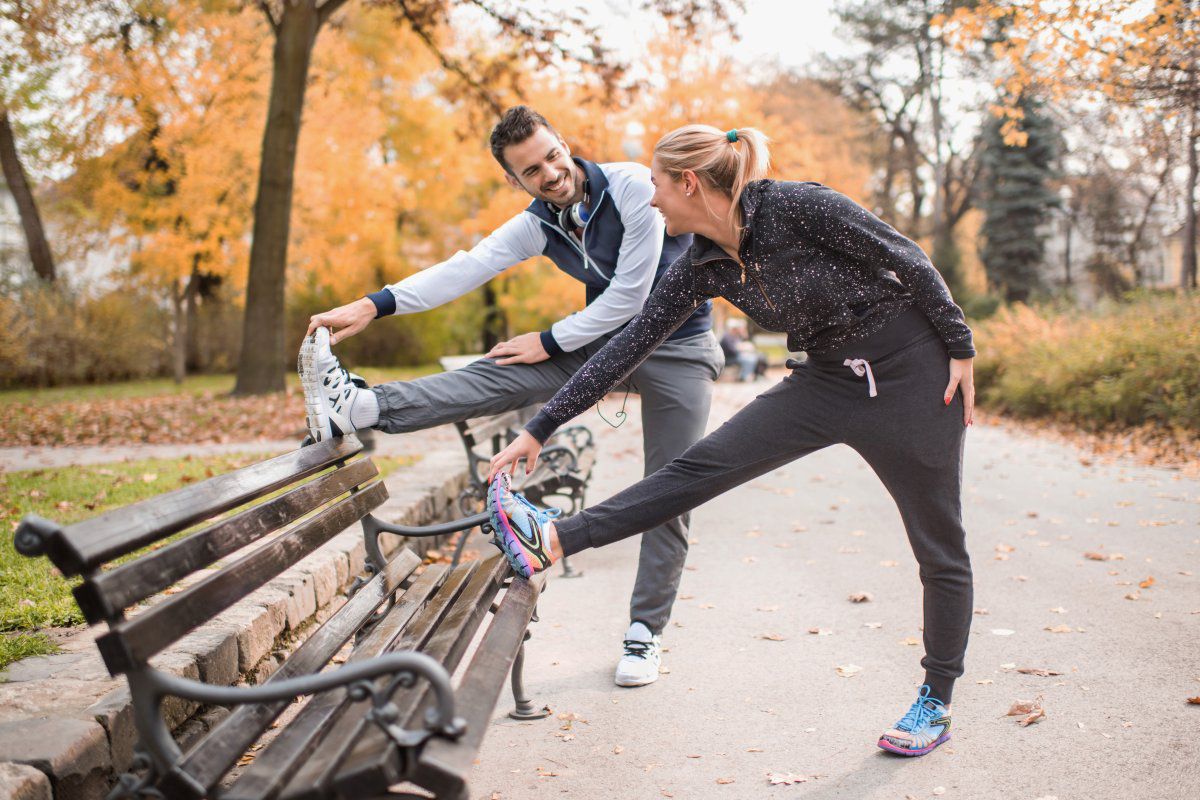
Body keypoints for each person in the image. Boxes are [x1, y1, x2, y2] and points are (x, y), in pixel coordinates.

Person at [483, 124, 976, 758]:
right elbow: (627, 345)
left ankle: (936, 699)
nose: (652, 200)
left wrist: (959, 347)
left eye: (658, 186)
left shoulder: (798, 205)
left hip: (915, 378)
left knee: (939, 543)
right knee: (699, 468)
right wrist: (540, 426)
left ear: (689, 183)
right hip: (826, 381)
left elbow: (906, 255)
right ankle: (551, 539)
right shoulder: (702, 262)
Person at [298, 106, 725, 688]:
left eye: (552, 156)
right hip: (602, 344)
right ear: (515, 179)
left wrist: (549, 340)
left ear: (564, 145)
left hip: (677, 346)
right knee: (501, 366)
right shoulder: (537, 224)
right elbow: (465, 268)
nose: (549, 173)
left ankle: (644, 634)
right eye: (531, 170)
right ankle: (364, 408)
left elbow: (631, 296)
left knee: (671, 484)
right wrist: (374, 304)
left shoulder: (630, 185)